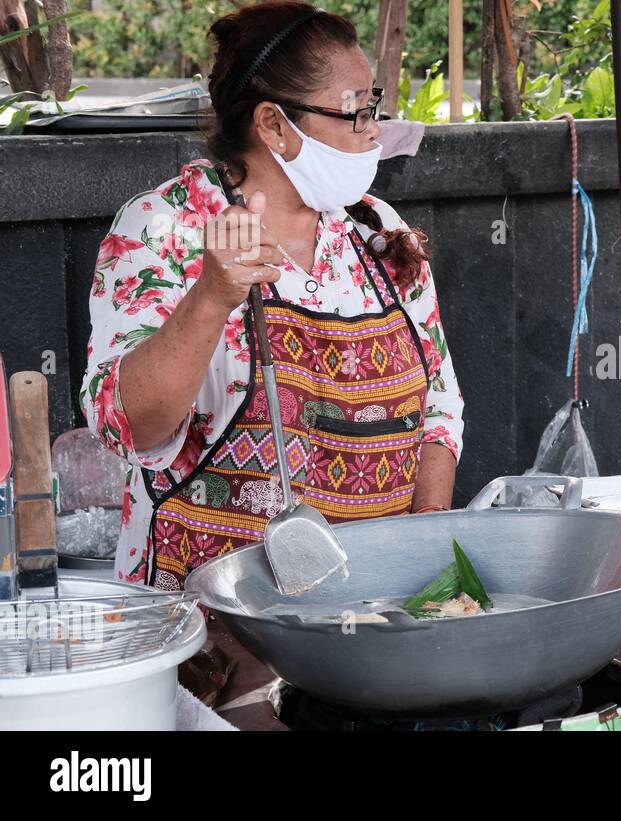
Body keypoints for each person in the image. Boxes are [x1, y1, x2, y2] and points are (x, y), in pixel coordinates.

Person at [80, 2, 463, 590]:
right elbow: (127, 426)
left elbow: (438, 407)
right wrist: (211, 296)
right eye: (356, 114)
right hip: (209, 632)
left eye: (374, 110)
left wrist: (423, 546)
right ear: (275, 125)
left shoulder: (376, 231)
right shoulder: (165, 229)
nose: (374, 133)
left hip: (369, 611)